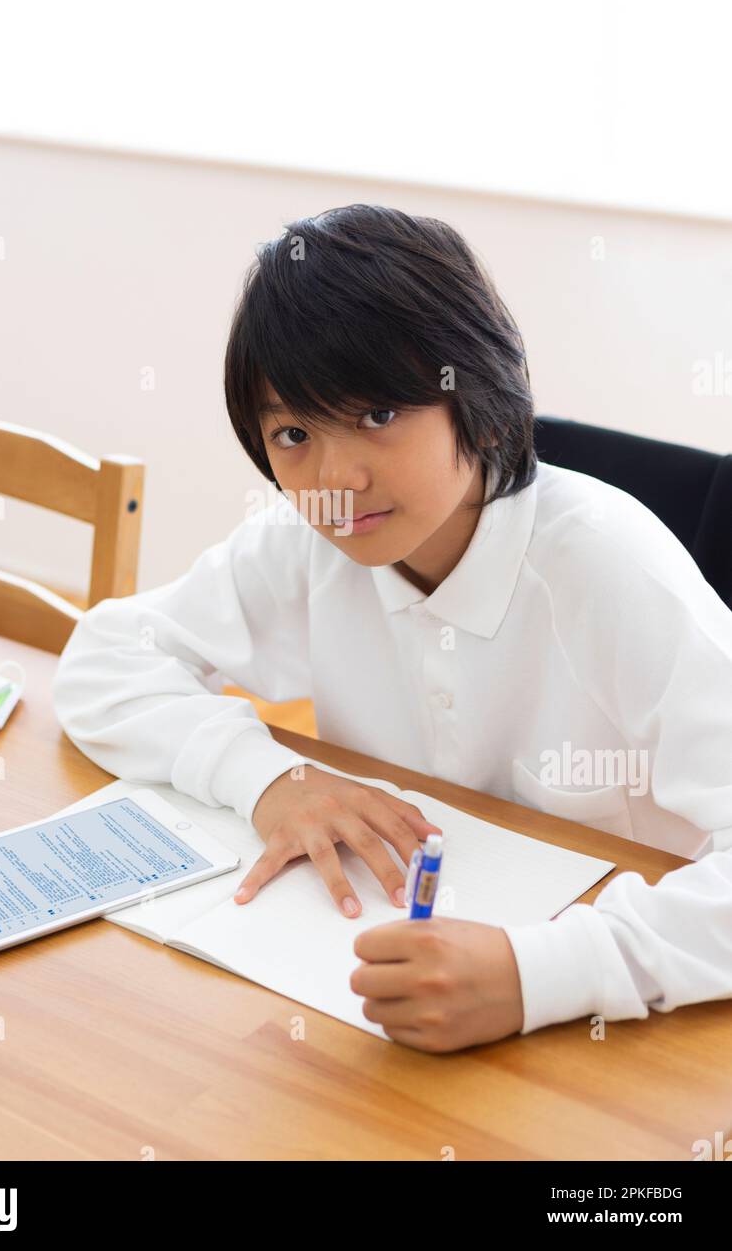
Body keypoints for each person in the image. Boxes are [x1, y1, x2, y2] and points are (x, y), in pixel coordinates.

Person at [53, 203, 732, 1052]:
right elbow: (105, 655)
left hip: (629, 1035)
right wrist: (269, 780)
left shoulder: (610, 567)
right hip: (376, 1004)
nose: (336, 478)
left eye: (378, 416)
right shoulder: (309, 542)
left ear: (478, 404)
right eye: (294, 433)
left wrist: (544, 974)